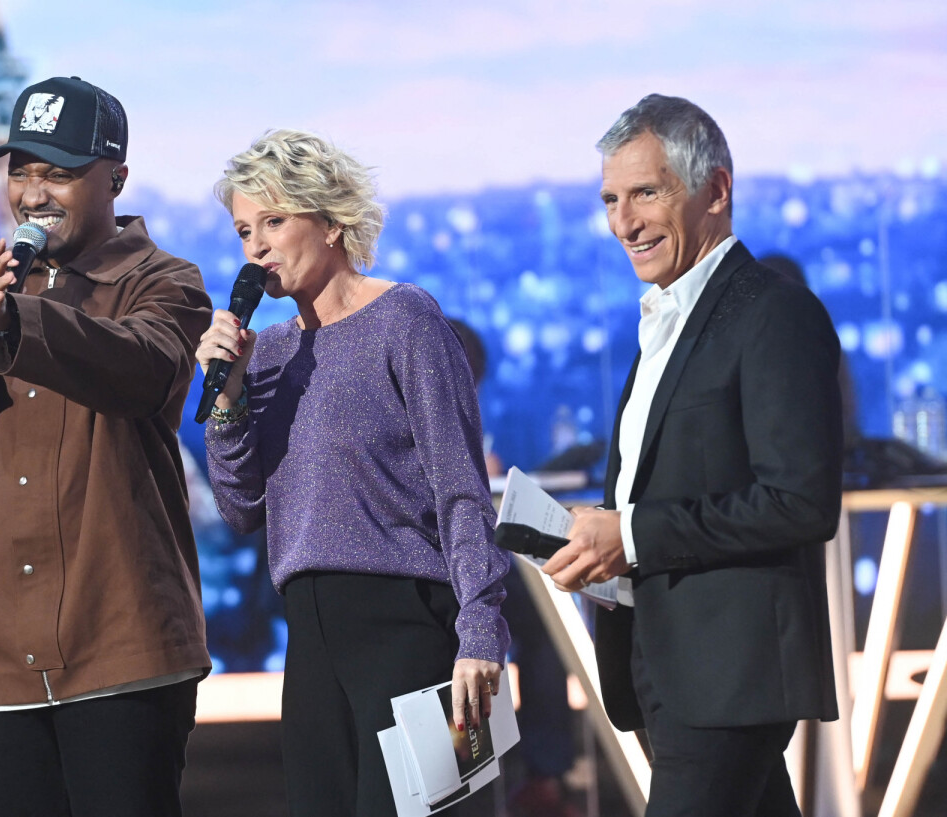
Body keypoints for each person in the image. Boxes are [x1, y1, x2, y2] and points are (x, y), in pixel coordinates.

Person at [0, 76, 212, 817]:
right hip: (0, 656)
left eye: (58, 173)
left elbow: (142, 367)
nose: (33, 194)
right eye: (21, 171)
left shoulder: (165, 282)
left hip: (120, 643)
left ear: (116, 178)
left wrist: (14, 325)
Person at [541, 94, 842, 816]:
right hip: (666, 669)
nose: (624, 221)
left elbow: (800, 499)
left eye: (646, 192)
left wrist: (633, 534)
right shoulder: (664, 318)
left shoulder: (774, 313)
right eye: (612, 199)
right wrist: (601, 536)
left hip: (731, 678)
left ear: (716, 189)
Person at [199, 129, 510, 817]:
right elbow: (242, 507)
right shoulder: (270, 352)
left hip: (411, 628)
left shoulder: (407, 318)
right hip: (311, 640)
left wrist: (480, 627)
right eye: (245, 229)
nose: (255, 247)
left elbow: (461, 487)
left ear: (332, 219)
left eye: (274, 221)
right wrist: (228, 399)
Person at [447, 319, 580, 817]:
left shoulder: (479, 420)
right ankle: (484, 781)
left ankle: (543, 773)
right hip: (433, 576)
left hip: (483, 567)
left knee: (542, 626)